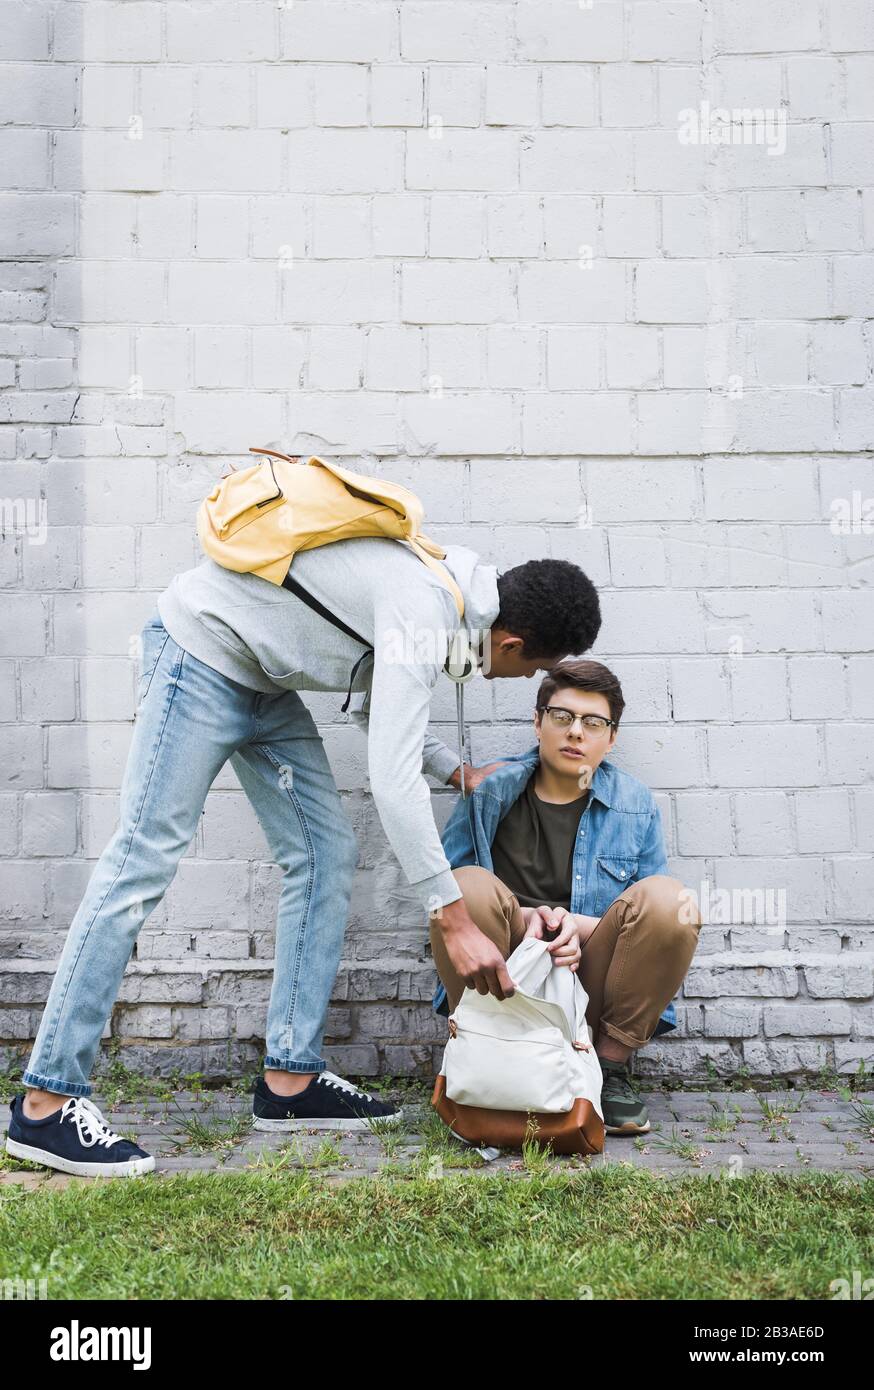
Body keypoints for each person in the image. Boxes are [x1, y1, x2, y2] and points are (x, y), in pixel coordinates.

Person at [6, 529, 602, 1177]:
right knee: (141, 861)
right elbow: (392, 778)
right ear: (512, 643)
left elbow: (373, 705)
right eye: (536, 669)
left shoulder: (450, 603)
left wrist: (456, 772)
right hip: (198, 656)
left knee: (325, 853)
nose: (527, 678)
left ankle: (290, 1081)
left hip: (261, 680)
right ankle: (45, 1104)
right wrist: (452, 917)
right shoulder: (426, 604)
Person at [429, 658, 702, 1136]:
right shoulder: (489, 793)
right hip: (507, 980)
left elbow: (647, 922)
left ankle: (609, 1068)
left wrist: (578, 926)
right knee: (463, 886)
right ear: (538, 723)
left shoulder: (634, 804)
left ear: (611, 738)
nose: (576, 732)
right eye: (562, 717)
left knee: (670, 902)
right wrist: (532, 917)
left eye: (593, 723)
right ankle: (479, 1054)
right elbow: (442, 900)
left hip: (589, 981)